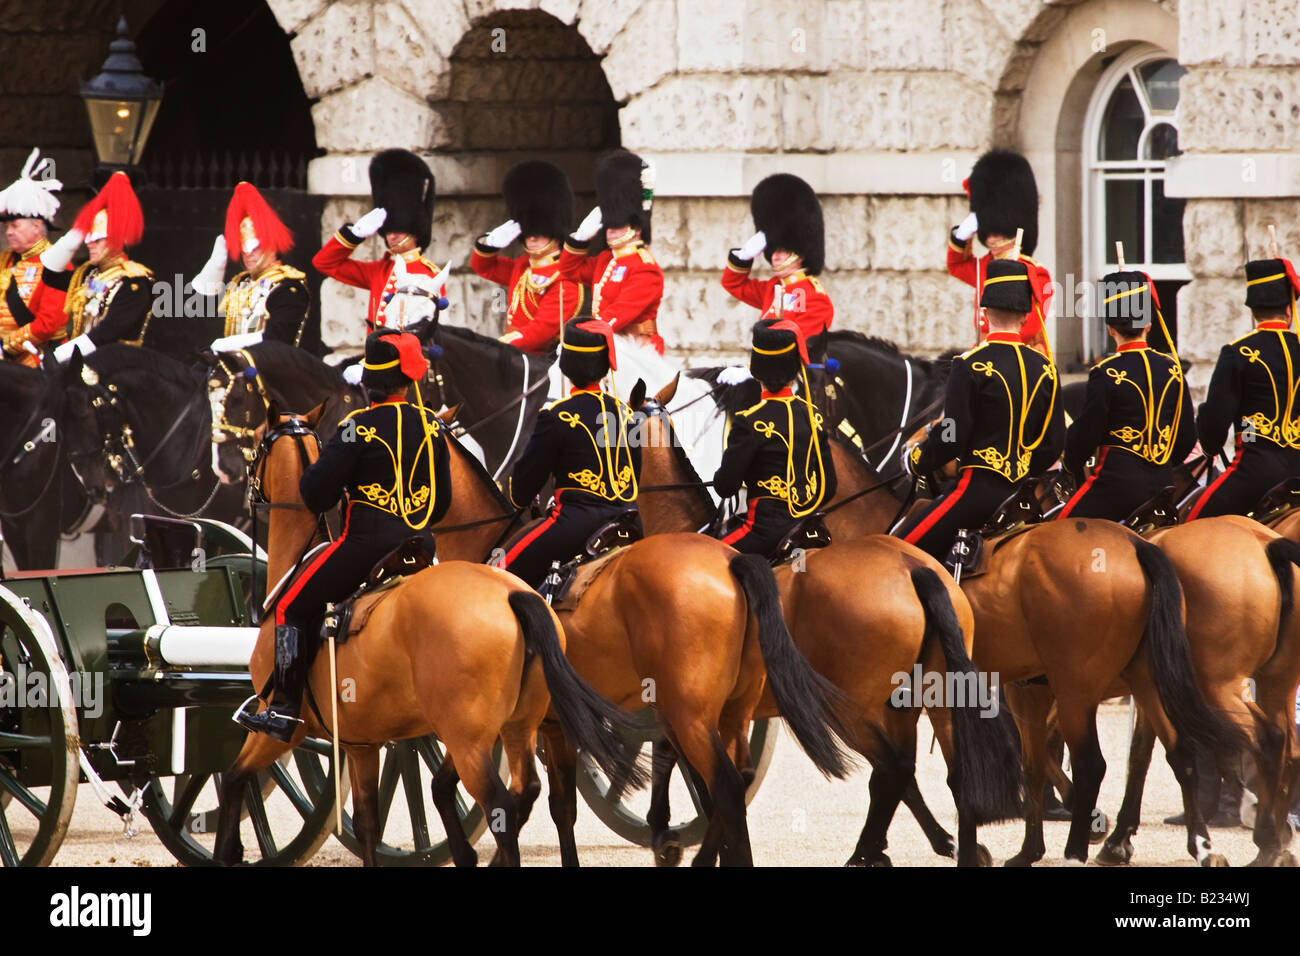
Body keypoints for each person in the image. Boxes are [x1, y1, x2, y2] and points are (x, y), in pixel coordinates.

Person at [236, 329, 451, 742]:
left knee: (290, 608)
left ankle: (282, 707)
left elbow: (316, 495)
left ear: (368, 383)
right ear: (407, 382)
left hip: (366, 550)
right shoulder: (432, 426)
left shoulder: (357, 427)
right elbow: (440, 505)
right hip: (422, 548)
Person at [897, 258, 1064, 562]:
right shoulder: (1045, 368)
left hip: (977, 492)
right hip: (1023, 499)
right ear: (1026, 316)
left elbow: (951, 436)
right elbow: (1053, 443)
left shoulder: (969, 364)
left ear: (984, 314)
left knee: (901, 553)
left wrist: (918, 460)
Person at [500, 317, 641, 589]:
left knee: (498, 571)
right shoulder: (628, 414)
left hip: (576, 525)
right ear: (602, 366)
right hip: (628, 523)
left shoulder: (556, 416)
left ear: (568, 367)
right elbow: (634, 476)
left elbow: (521, 491)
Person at [1058, 271, 1195, 519]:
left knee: (1057, 534)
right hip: (1163, 488)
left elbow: (1087, 433)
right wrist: (1160, 464)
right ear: (1148, 325)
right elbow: (1185, 437)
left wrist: (1070, 462)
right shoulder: (1172, 369)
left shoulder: (1105, 372)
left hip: (1114, 490)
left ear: (1110, 329)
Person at [711, 318, 836, 557]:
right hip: (808, 535)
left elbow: (725, 487)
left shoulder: (749, 421)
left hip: (764, 533)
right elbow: (829, 487)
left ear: (757, 373)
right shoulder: (814, 416)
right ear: (794, 372)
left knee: (706, 559)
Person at [1188, 257, 1300, 519]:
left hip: (1256, 471)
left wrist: (1211, 444)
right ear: (1288, 309)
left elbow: (1216, 419)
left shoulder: (1238, 353)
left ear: (1253, 311)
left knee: (1192, 524)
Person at [312, 148, 443, 334]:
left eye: (398, 229)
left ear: (415, 231)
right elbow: (324, 263)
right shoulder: (378, 272)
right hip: (374, 358)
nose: (392, 236)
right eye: (388, 230)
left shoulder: (429, 274)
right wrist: (355, 235)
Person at [946, 149, 1053, 358]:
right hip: (986, 355)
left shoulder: (1034, 271)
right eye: (988, 231)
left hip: (1024, 357)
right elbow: (956, 266)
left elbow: (1030, 325)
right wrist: (961, 237)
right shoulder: (985, 267)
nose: (990, 239)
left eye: (997, 233)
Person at [558, 149, 663, 355]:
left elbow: (617, 314)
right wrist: (579, 238)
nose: (610, 229)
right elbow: (568, 270)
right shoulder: (607, 260)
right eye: (609, 223)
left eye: (617, 224)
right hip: (609, 344)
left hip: (639, 352)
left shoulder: (645, 269)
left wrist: (580, 337)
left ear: (636, 227)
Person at [471, 160, 583, 353]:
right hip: (515, 355)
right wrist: (490, 243)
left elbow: (540, 332)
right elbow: (483, 267)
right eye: (528, 229)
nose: (531, 236)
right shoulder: (523, 266)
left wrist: (500, 347)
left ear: (554, 231)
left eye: (539, 231)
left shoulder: (565, 278)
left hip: (542, 361)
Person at [722, 173, 833, 363]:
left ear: (801, 253)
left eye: (784, 250)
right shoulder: (773, 289)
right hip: (766, 372)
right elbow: (733, 284)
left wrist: (753, 372)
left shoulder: (814, 297)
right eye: (772, 249)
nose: (775, 256)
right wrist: (744, 255)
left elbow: (801, 351)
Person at [192, 181, 314, 353]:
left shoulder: (287, 286)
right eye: (243, 249)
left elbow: (277, 338)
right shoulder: (242, 281)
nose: (248, 254)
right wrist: (218, 260)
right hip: (234, 365)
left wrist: (227, 344)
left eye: (254, 248)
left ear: (272, 245)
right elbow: (200, 300)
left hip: (273, 370)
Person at [51, 171, 152, 363]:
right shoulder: (87, 274)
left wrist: (61, 356)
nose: (89, 244)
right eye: (87, 238)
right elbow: (50, 277)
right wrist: (72, 238)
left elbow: (108, 333)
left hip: (117, 367)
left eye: (97, 239)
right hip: (80, 361)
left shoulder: (134, 282)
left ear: (117, 240)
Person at [0, 148, 71, 366]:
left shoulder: (58, 263)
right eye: (7, 226)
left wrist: (7, 348)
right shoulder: (6, 260)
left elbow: (48, 323)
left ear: (37, 226)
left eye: (15, 226)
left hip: (37, 359)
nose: (8, 232)